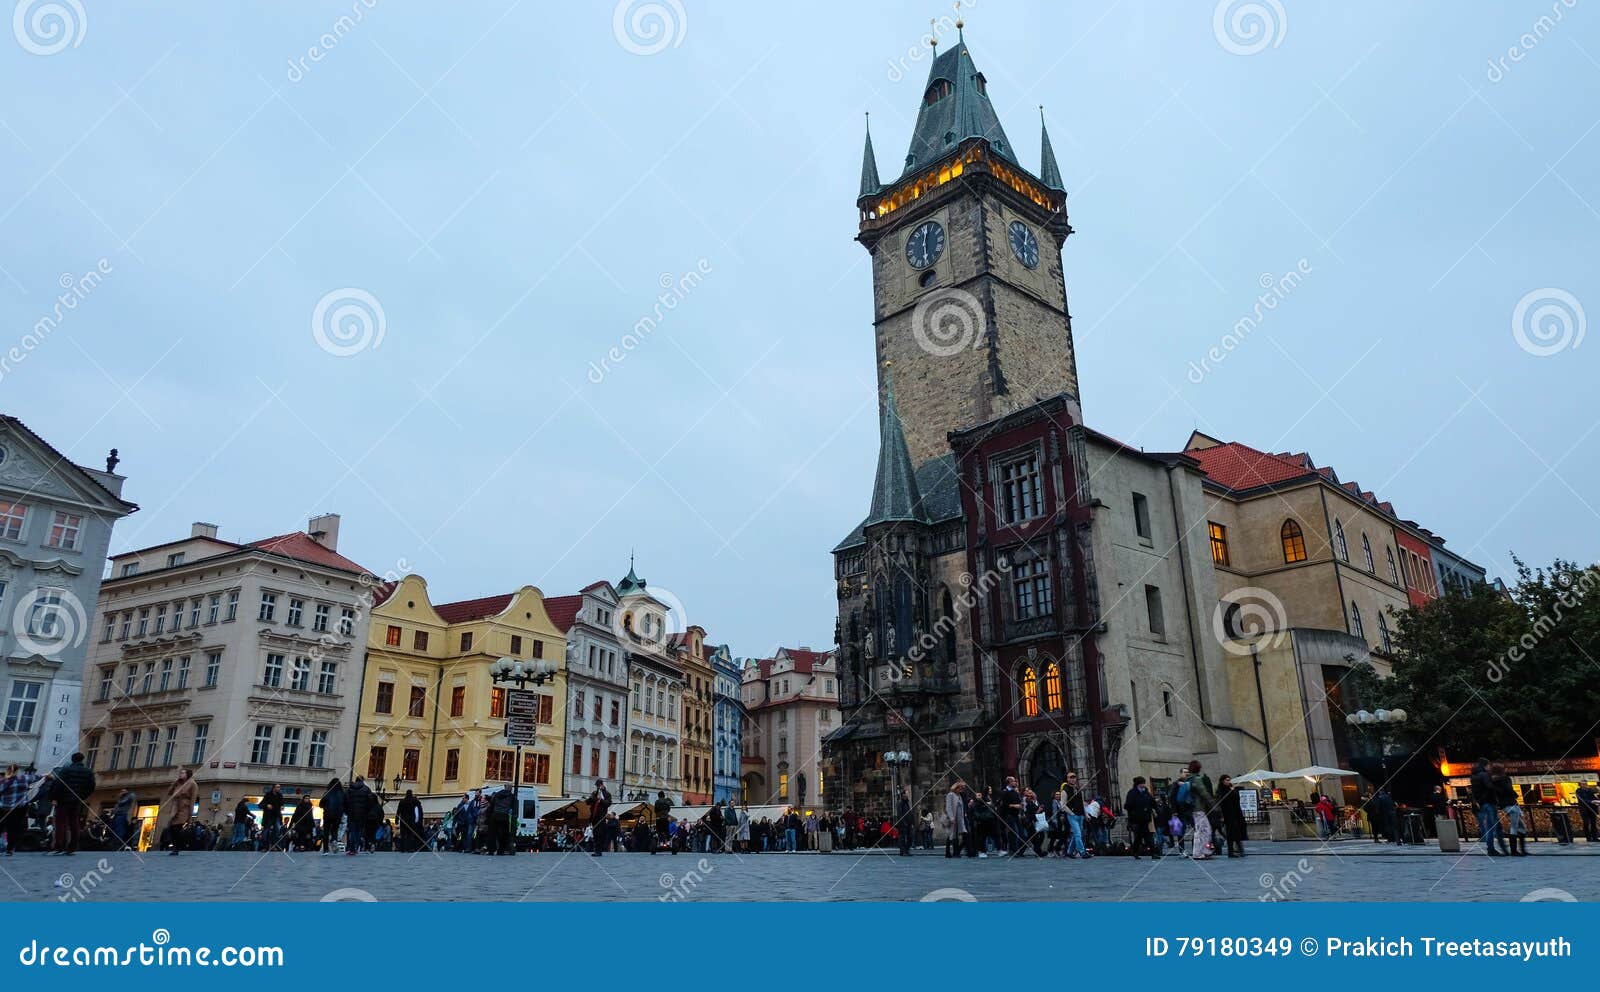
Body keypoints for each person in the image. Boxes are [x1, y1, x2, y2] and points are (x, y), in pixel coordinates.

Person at [49, 752, 96, 855]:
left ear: (72, 759)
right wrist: (83, 796)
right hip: (77, 800)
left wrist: (54, 797)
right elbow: (91, 786)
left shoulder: (66, 770)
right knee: (74, 823)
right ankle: (72, 847)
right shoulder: (88, 772)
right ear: (82, 759)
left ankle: (59, 846)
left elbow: (58, 784)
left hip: (63, 800)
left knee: (60, 823)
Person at [0, 765, 40, 855]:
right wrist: (47, 775)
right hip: (18, 809)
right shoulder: (24, 778)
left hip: (4, 808)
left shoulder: (3, 780)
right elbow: (37, 777)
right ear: (17, 771)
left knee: (1, 826)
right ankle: (10, 849)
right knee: (13, 829)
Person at [1470, 758, 1505, 856]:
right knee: (1492, 827)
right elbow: (1490, 787)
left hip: (1482, 804)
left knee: (1495, 826)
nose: (1489, 767)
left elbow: (1475, 791)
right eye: (1489, 765)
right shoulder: (1484, 775)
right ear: (1485, 765)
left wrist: (1480, 800)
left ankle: (1502, 847)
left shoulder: (1474, 776)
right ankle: (1491, 849)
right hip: (1489, 803)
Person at [161, 768, 199, 855]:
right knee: (171, 828)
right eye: (180, 773)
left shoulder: (192, 784)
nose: (180, 774)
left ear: (187, 774)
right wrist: (174, 783)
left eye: (183, 773)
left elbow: (193, 799)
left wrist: (190, 814)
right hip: (175, 807)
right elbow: (170, 793)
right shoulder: (178, 783)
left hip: (184, 808)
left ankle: (177, 847)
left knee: (177, 827)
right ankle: (176, 846)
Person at [1493, 764, 1527, 856]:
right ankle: (1515, 851)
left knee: (1521, 827)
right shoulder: (1505, 779)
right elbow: (1508, 789)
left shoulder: (1493, 781)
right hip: (1511, 804)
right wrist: (1515, 794)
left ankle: (1520, 850)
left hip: (1504, 805)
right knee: (1515, 827)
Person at [1124, 777, 1158, 859]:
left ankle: (1153, 853)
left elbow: (1152, 802)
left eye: (1144, 783)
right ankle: (1135, 852)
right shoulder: (1132, 793)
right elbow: (1128, 805)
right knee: (1138, 837)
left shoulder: (1146, 792)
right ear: (1137, 784)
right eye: (1141, 783)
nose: (1143, 785)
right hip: (1136, 819)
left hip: (1146, 818)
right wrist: (1133, 813)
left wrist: (1156, 807)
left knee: (1148, 836)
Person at [1217, 775, 1246, 857]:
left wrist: (1232, 791)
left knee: (1235, 833)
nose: (1228, 781)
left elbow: (1237, 799)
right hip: (1227, 814)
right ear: (1222, 781)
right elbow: (1220, 802)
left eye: (1229, 780)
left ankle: (1238, 851)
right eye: (1227, 780)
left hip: (1235, 813)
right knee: (1230, 834)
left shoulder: (1231, 788)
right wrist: (1221, 816)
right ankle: (1232, 852)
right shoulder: (1221, 790)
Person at [344, 776, 376, 854]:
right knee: (359, 831)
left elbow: (345, 801)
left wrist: (347, 811)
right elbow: (371, 802)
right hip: (362, 814)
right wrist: (367, 811)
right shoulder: (366, 789)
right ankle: (356, 847)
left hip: (351, 813)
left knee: (352, 831)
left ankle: (352, 849)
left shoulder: (349, 789)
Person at [1061, 772, 1088, 858]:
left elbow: (1082, 803)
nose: (1072, 779)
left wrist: (1086, 814)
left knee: (1076, 834)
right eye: (1070, 777)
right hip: (1072, 815)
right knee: (1078, 834)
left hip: (1081, 815)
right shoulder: (1065, 790)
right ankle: (1082, 852)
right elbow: (1063, 805)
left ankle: (1069, 852)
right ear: (1067, 779)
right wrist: (1071, 813)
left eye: (1074, 777)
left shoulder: (1078, 789)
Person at [944, 782, 969, 858]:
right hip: (953, 819)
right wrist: (951, 818)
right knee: (952, 836)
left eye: (962, 788)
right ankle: (952, 852)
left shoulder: (959, 796)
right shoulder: (950, 795)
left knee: (964, 835)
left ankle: (956, 851)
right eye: (960, 788)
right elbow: (948, 807)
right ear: (956, 788)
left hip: (960, 819)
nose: (961, 790)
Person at [320, 779, 344, 854]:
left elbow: (321, 804)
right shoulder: (342, 794)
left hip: (327, 814)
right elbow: (346, 804)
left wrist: (325, 807)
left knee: (326, 832)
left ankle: (325, 849)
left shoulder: (327, 793)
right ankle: (334, 840)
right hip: (338, 815)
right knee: (335, 829)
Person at [259, 784, 284, 851]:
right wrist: (267, 805)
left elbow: (282, 804)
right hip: (268, 816)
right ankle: (264, 847)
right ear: (273, 788)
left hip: (276, 816)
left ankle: (273, 845)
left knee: (277, 831)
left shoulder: (280, 795)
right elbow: (260, 805)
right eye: (277, 787)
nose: (279, 788)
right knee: (265, 831)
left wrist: (282, 806)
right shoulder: (268, 795)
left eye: (279, 787)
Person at [896, 787, 913, 856]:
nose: (906, 797)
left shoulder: (907, 803)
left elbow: (910, 813)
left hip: (908, 823)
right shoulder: (900, 803)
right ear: (903, 796)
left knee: (910, 837)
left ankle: (907, 850)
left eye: (907, 795)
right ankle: (902, 851)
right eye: (905, 795)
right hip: (903, 824)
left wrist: (912, 822)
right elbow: (900, 814)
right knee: (902, 838)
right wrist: (904, 822)